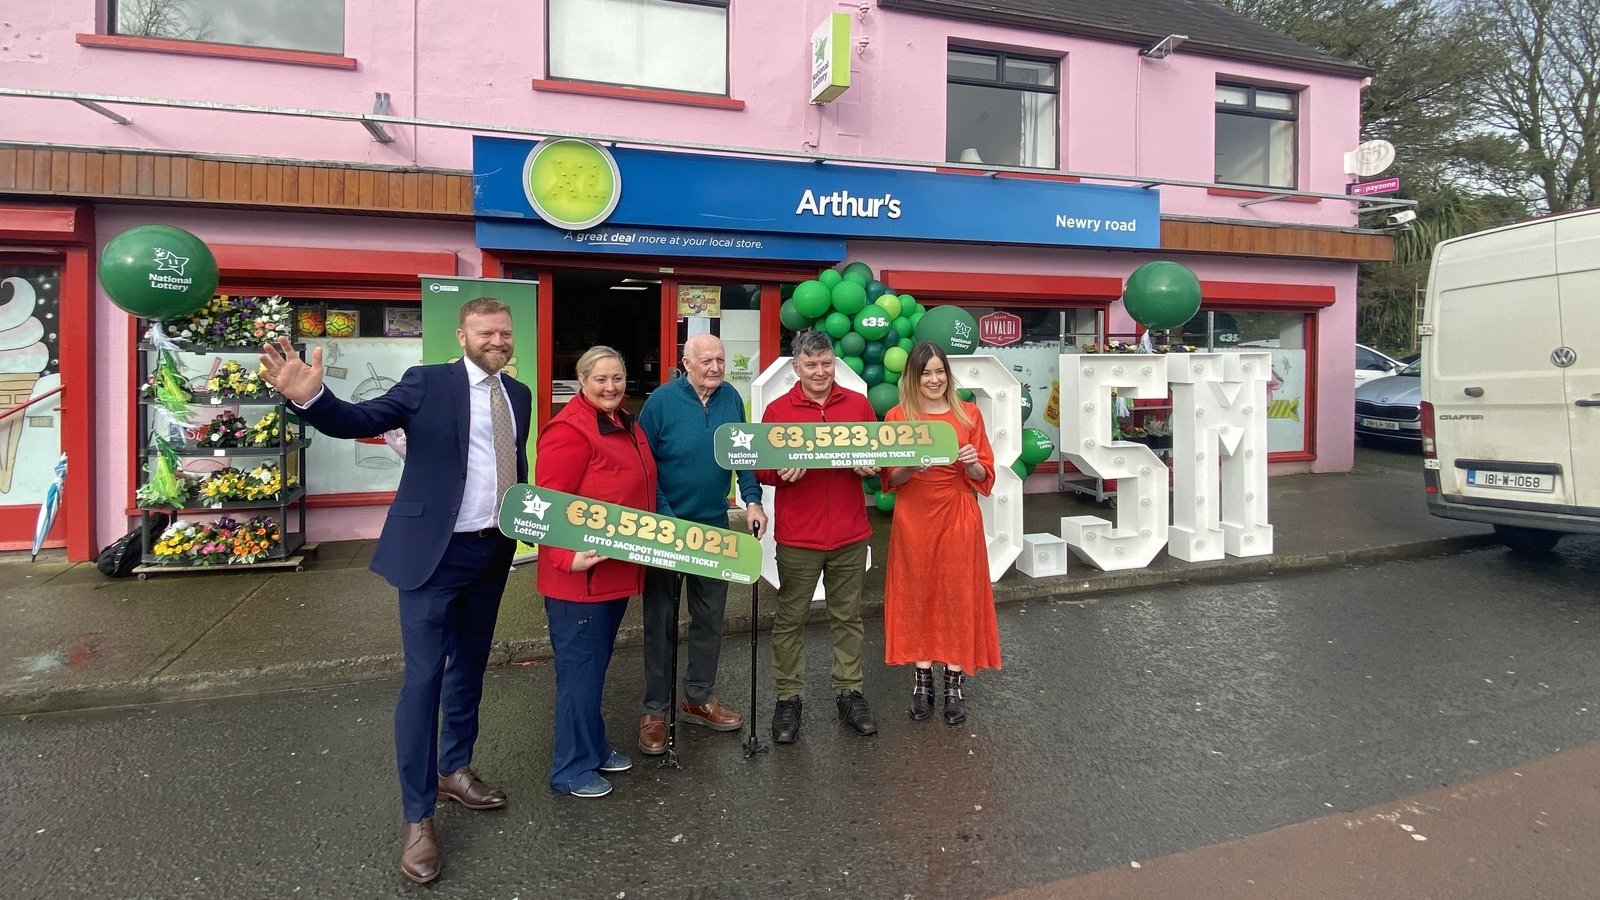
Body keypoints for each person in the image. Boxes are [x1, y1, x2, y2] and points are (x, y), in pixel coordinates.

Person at [258, 298, 531, 885]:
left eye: (505, 333)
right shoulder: (427, 383)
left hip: (492, 550)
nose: (497, 340)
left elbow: (511, 467)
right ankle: (417, 817)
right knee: (424, 677)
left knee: (470, 669)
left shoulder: (520, 395)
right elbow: (361, 420)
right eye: (486, 332)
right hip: (435, 555)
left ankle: (454, 769)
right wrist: (311, 397)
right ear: (462, 335)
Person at [634, 334, 768, 755]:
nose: (715, 367)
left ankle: (698, 697)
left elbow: (742, 455)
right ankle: (655, 709)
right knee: (661, 620)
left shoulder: (731, 399)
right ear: (685, 363)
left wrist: (752, 501)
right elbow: (643, 464)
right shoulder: (660, 402)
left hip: (714, 529)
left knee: (710, 619)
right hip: (667, 528)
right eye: (706, 360)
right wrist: (666, 516)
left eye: (720, 360)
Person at [535, 345, 657, 799]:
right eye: (600, 379)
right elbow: (546, 504)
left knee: (594, 669)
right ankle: (569, 768)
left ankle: (594, 746)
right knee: (579, 674)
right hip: (580, 579)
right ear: (582, 381)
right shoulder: (569, 430)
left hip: (611, 574)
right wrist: (566, 557)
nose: (611, 387)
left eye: (618, 378)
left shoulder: (624, 421)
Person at [757, 329, 880, 744]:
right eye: (811, 365)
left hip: (849, 532)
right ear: (796, 367)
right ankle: (788, 699)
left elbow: (878, 453)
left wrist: (871, 467)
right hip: (799, 536)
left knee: (848, 617)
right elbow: (759, 467)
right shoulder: (777, 409)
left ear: (834, 364)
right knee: (790, 619)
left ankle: (850, 692)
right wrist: (779, 473)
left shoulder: (859, 405)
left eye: (826, 363)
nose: (820, 371)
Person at [879, 342, 1001, 725]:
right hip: (914, 515)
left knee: (955, 594)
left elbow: (985, 477)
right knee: (917, 592)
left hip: (958, 513)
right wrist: (911, 467)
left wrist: (973, 464)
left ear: (948, 375)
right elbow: (889, 479)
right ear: (912, 377)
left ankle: (953, 683)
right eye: (925, 372)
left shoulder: (969, 415)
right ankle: (922, 682)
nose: (933, 379)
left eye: (939, 371)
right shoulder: (897, 417)